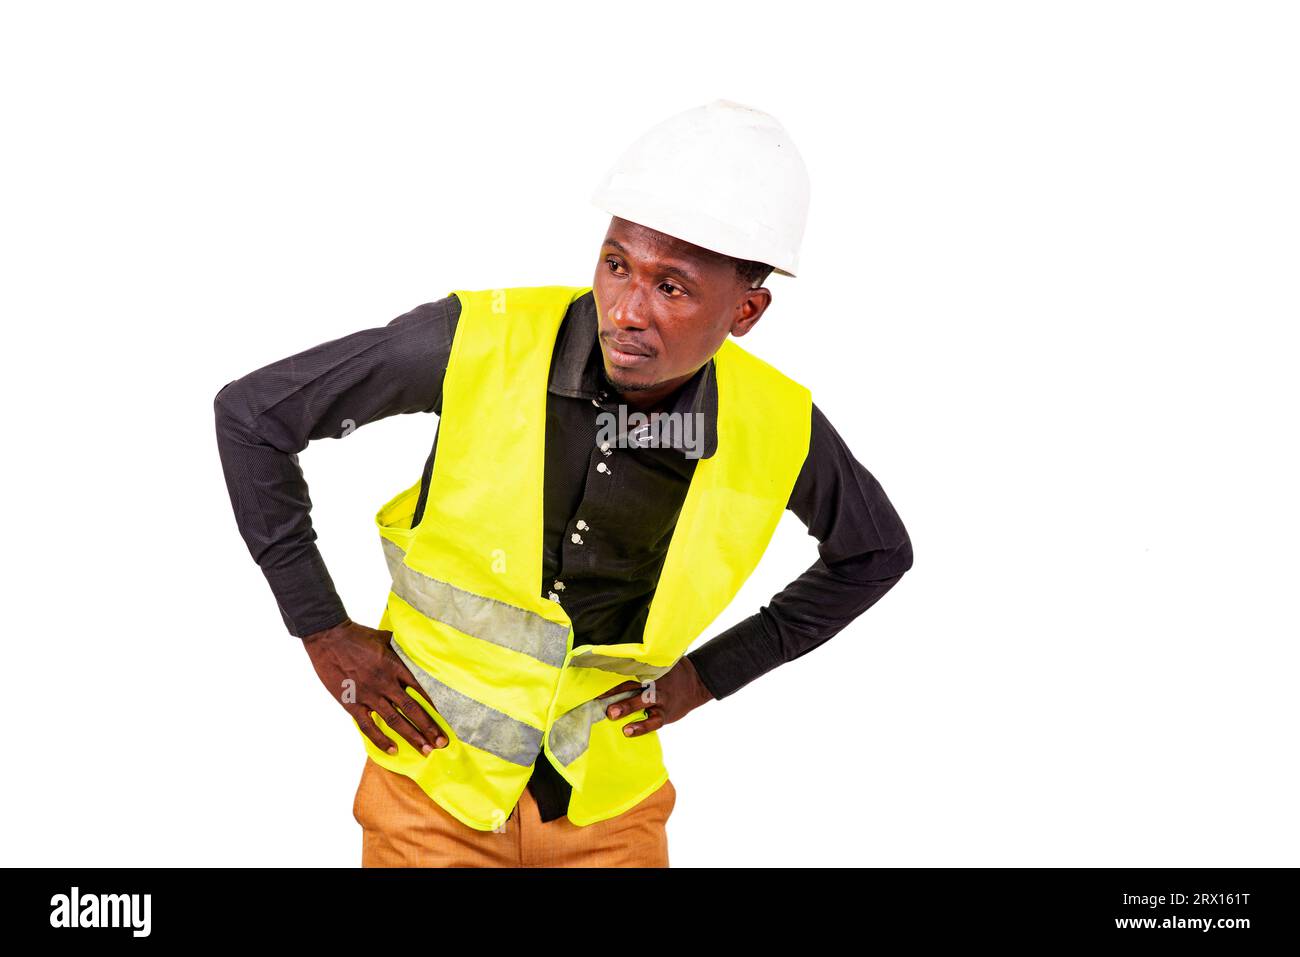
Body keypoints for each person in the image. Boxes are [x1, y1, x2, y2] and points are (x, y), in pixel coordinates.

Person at [214, 99, 913, 867]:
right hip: (431, 793)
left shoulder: (776, 422)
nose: (625, 311)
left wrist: (708, 676)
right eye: (617, 265)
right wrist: (322, 630)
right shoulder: (480, 340)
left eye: (671, 288)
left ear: (746, 310)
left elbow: (874, 553)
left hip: (609, 809)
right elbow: (254, 417)